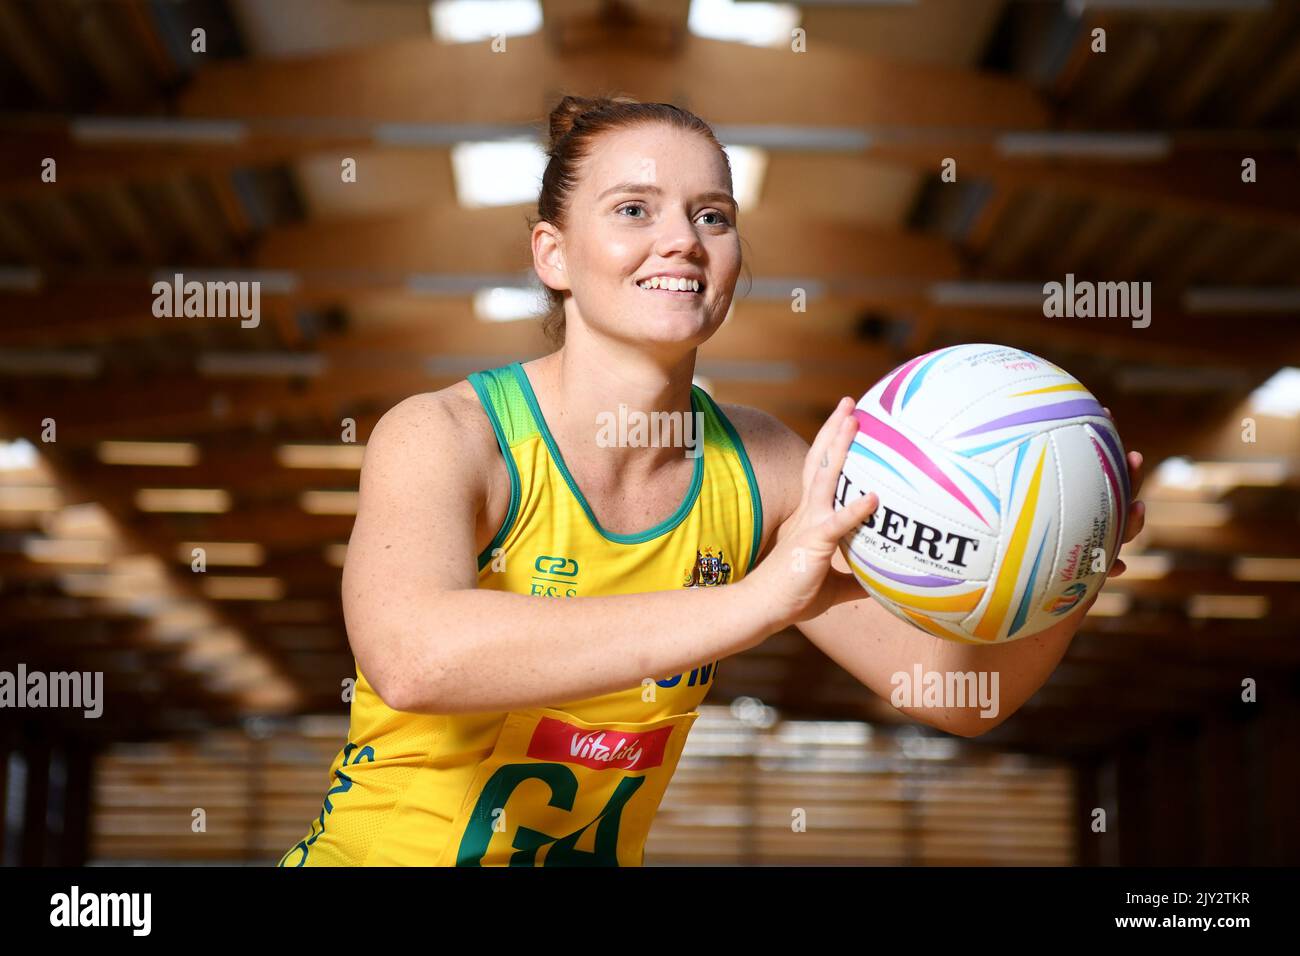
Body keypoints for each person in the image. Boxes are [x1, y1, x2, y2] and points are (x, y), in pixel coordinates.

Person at [279, 94, 1146, 867]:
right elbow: (414, 659)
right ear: (552, 254)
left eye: (713, 216)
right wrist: (760, 599)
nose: (682, 242)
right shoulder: (447, 436)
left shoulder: (763, 468)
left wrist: (1058, 561)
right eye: (633, 209)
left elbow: (965, 694)